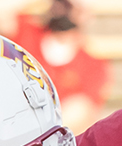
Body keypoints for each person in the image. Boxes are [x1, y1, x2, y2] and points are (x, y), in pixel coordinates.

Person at [12, 0, 113, 132]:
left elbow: (84, 111)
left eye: (68, 6)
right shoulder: (25, 34)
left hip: (49, 134)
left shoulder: (93, 66)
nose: (62, 9)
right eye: (60, 3)